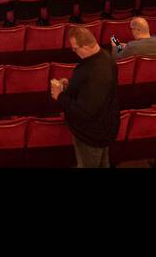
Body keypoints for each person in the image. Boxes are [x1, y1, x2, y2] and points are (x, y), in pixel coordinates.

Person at [51, 25, 120, 167]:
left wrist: (60, 96)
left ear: (86, 47)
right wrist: (70, 85)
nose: (73, 51)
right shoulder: (105, 57)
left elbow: (85, 111)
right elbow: (90, 92)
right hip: (104, 127)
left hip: (90, 135)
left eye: (75, 48)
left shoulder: (96, 72)